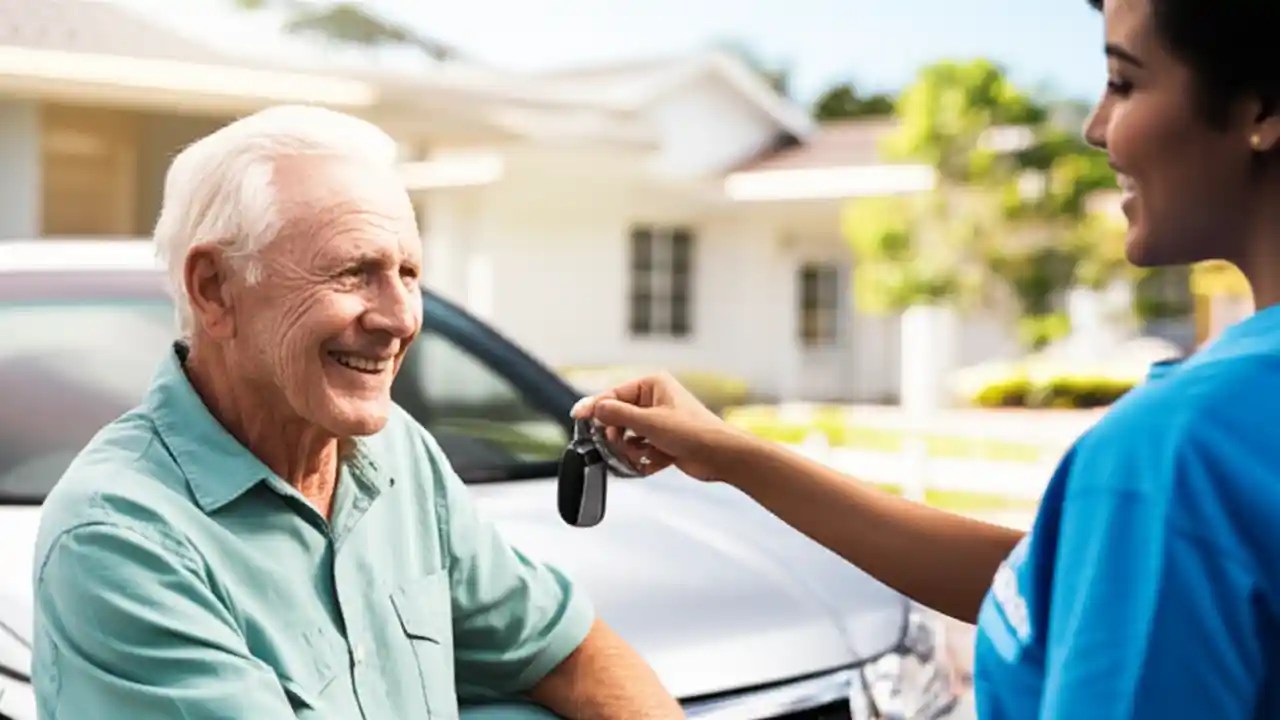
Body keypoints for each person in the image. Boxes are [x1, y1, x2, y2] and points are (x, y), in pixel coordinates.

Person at [573, 0, 1280, 717]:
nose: (1096, 129)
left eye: (1124, 83)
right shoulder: (1204, 457)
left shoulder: (1171, 457)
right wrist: (731, 455)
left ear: (1263, 107)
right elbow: (1056, 588)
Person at [30, 105, 683, 720]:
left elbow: (569, 653)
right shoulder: (119, 538)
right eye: (351, 272)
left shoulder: (397, 453)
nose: (400, 318)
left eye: (408, 272)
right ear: (214, 289)